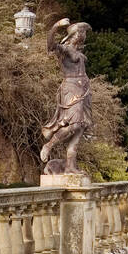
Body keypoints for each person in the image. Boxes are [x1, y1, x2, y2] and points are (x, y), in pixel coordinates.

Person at [39, 18, 93, 174]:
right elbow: (50, 46)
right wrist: (56, 26)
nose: (83, 35)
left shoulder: (79, 53)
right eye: (81, 32)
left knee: (81, 127)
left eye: (84, 32)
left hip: (83, 91)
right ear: (74, 34)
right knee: (74, 124)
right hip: (70, 89)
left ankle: (70, 166)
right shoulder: (64, 49)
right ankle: (49, 146)